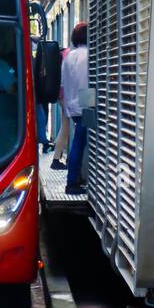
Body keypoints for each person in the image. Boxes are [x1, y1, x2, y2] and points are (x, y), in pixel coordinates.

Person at [58, 21, 89, 192]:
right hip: (86, 104)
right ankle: (72, 183)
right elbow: (88, 83)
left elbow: (64, 83)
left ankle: (75, 177)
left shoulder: (69, 56)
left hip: (73, 105)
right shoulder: (90, 55)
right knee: (80, 142)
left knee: (78, 141)